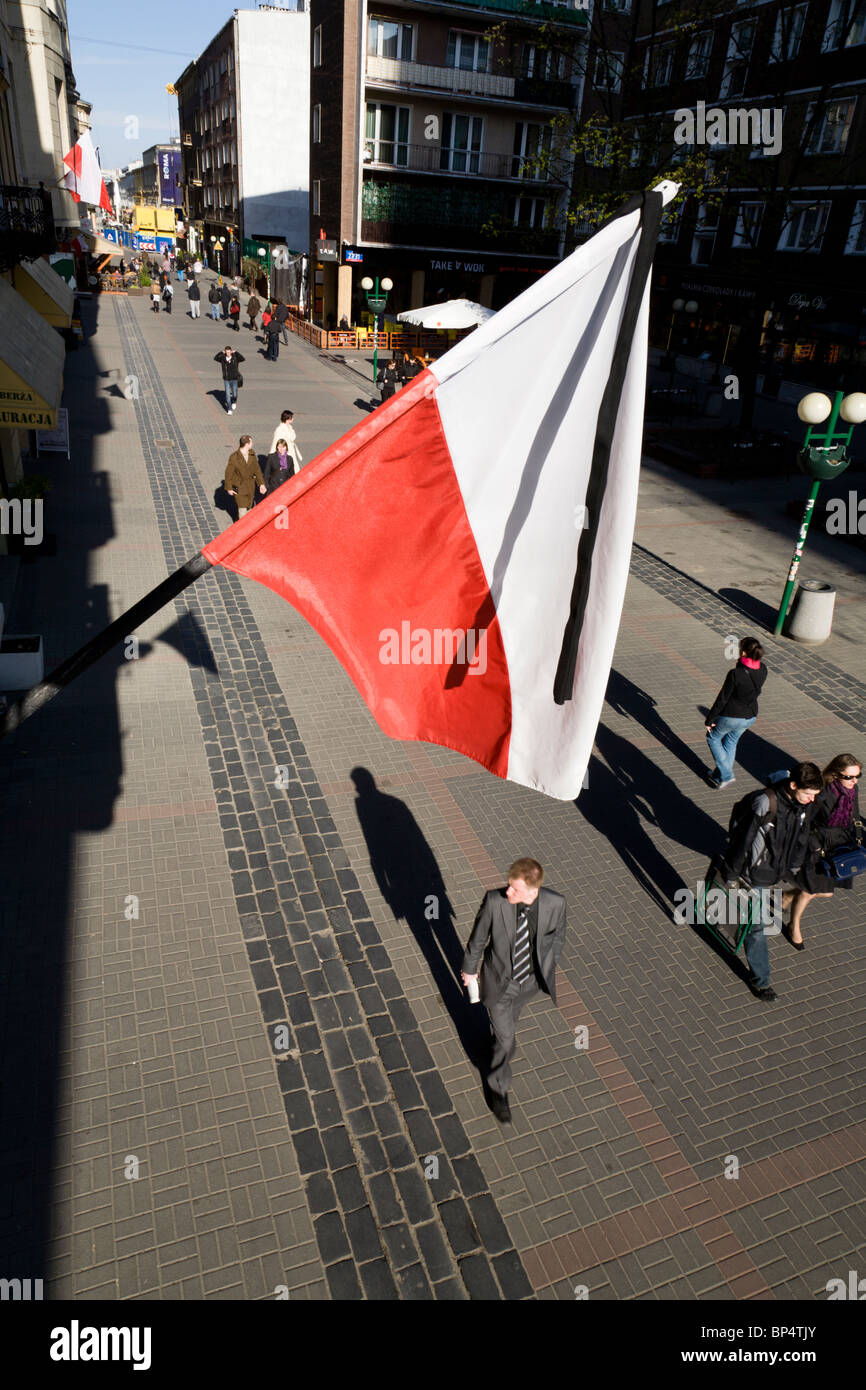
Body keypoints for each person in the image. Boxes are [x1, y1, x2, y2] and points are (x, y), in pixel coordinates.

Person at [461, 858, 567, 1124]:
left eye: (515, 889)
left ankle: (495, 1042)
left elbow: (557, 938)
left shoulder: (556, 904)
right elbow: (477, 939)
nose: (508, 892)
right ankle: (498, 1087)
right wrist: (469, 970)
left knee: (508, 1025)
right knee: (508, 1040)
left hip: (528, 984)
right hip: (498, 982)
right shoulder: (495, 902)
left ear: (533, 891)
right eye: (509, 886)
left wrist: (548, 964)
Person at [720, 762, 823, 1000]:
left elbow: (803, 833)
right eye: (807, 794)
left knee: (756, 919)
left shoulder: (803, 804)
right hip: (754, 872)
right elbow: (742, 840)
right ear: (793, 784)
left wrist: (795, 865)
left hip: (776, 869)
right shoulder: (765, 802)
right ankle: (761, 981)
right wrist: (732, 873)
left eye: (814, 795)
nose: (811, 799)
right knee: (757, 927)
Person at [782, 754, 863, 948]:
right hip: (818, 845)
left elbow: (855, 815)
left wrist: (858, 838)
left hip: (840, 843)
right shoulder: (822, 793)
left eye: (857, 776)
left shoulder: (853, 790)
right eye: (849, 777)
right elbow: (805, 821)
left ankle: (787, 897)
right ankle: (794, 926)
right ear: (836, 775)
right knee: (811, 890)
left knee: (826, 893)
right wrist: (814, 845)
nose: (854, 781)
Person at [705, 637, 767, 788]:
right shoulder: (763, 669)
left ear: (744, 652)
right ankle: (719, 777)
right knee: (731, 743)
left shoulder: (735, 674)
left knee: (713, 738)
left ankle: (726, 775)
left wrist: (710, 719)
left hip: (731, 715)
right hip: (750, 716)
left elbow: (723, 698)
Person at [224, 435, 265, 517]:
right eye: (251, 442)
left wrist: (261, 484)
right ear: (247, 444)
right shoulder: (234, 457)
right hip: (239, 486)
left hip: (250, 486)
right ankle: (242, 528)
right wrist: (229, 488)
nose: (252, 444)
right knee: (242, 509)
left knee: (249, 507)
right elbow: (228, 473)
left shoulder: (252, 454)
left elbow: (257, 470)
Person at [214, 346, 245, 413]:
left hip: (234, 379)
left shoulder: (235, 358)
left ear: (231, 351)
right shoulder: (223, 359)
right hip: (227, 380)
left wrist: (236, 352)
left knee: (234, 394)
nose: (228, 353)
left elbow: (243, 359)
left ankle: (234, 401)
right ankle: (229, 409)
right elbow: (215, 358)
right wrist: (221, 352)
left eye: (229, 352)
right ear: (225, 352)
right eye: (226, 352)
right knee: (227, 395)